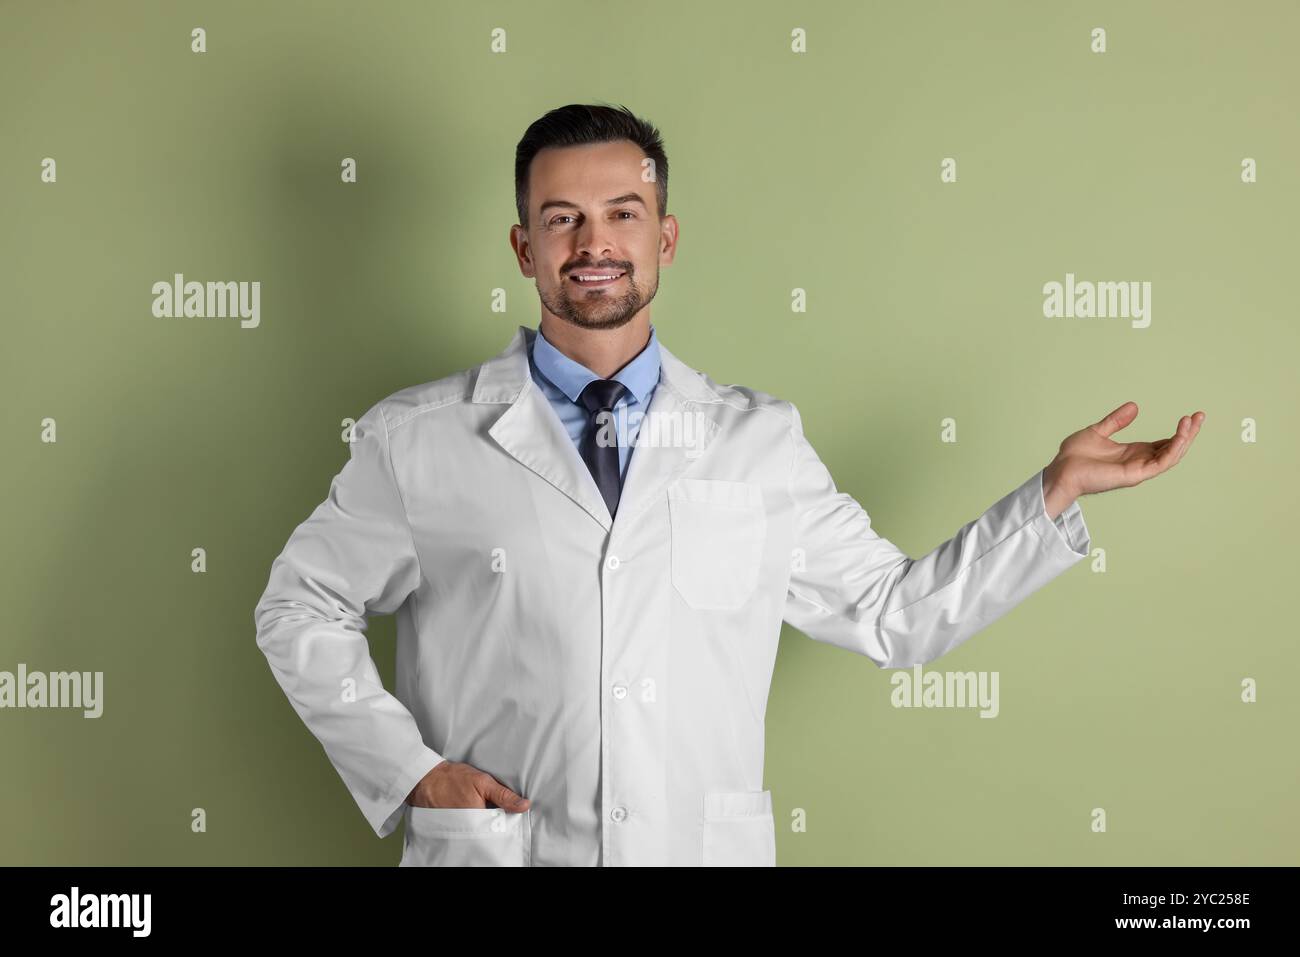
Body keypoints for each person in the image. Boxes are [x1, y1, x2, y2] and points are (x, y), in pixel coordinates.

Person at [253, 103, 1204, 867]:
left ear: (665, 235)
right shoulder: (420, 439)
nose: (595, 241)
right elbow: (300, 605)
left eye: (622, 213)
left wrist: (1052, 495)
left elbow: (893, 615)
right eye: (562, 218)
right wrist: (412, 772)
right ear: (523, 246)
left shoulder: (758, 443)